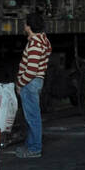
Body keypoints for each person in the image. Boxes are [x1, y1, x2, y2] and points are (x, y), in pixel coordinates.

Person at [14, 12, 51, 158]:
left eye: (25, 24)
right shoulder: (42, 40)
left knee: (32, 117)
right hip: (35, 82)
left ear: (29, 26)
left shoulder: (35, 45)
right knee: (31, 116)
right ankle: (30, 145)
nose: (24, 26)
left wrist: (20, 84)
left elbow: (31, 71)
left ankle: (34, 149)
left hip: (30, 84)